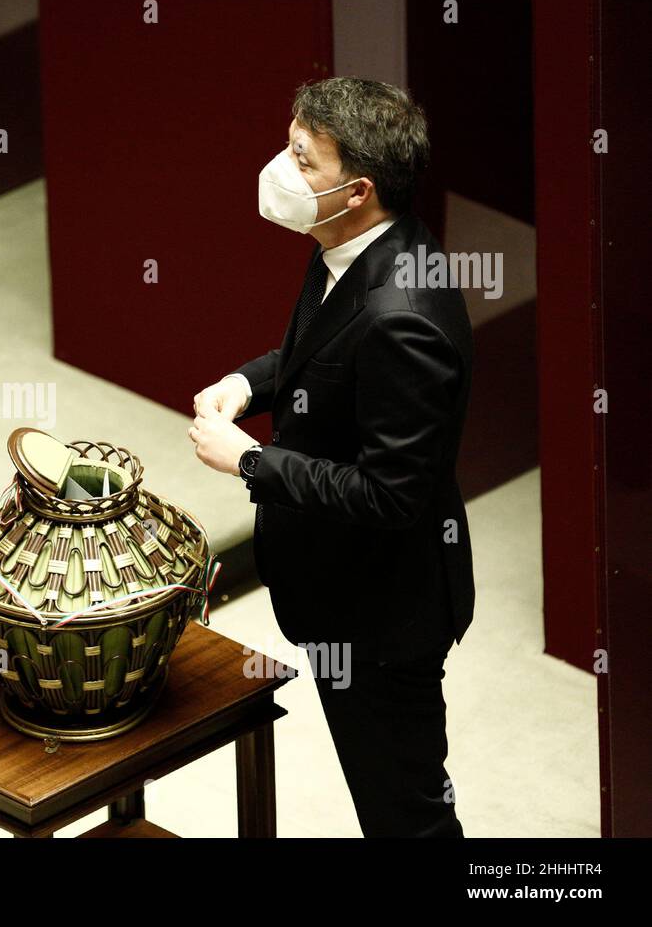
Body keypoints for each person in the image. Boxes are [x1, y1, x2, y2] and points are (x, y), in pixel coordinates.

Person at [188, 76, 473, 837]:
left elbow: (391, 495)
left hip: (383, 613)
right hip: (335, 584)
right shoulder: (348, 247)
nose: (282, 170)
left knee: (405, 813)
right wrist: (246, 384)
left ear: (357, 191)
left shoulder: (404, 317)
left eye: (302, 159)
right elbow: (317, 353)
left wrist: (249, 462)